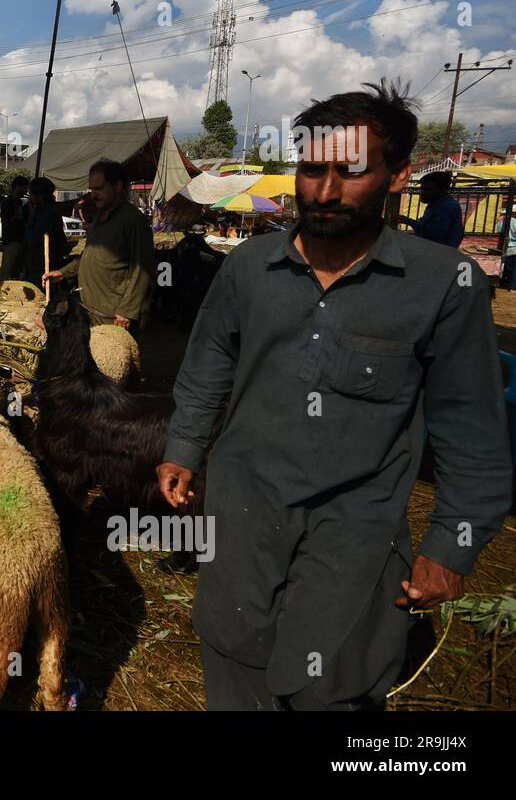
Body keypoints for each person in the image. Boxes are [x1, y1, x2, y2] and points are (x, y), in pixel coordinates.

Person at [157, 80, 511, 711]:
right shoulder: (247, 268)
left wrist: (453, 544)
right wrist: (184, 446)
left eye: (349, 172)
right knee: (233, 662)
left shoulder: (443, 285)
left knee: (331, 686)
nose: (323, 190)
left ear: (398, 175)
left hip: (355, 534)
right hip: (241, 516)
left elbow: (472, 429)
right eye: (311, 168)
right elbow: (209, 361)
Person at [44, 159, 155, 330]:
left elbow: (143, 269)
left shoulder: (133, 220)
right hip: (90, 310)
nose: (93, 194)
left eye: (99, 188)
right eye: (91, 189)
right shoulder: (100, 217)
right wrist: (62, 273)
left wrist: (127, 310)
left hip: (113, 314)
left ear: (117, 186)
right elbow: (89, 256)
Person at [20, 177, 68, 287]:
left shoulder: (47, 213)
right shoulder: (46, 210)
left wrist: (31, 218)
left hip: (42, 266)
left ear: (40, 196)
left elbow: (33, 239)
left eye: (31, 194)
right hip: (39, 264)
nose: (29, 197)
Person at [397, 171, 464, 248]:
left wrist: (409, 222)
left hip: (439, 252)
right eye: (422, 189)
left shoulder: (445, 207)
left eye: (428, 189)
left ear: (441, 190)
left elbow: (433, 234)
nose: (422, 193)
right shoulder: (438, 204)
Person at [0, 175, 29, 283]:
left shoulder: (20, 202)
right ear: (18, 187)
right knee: (7, 268)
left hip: (20, 240)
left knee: (17, 269)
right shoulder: (7, 202)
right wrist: (17, 215)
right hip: (11, 240)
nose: (26, 191)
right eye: (25, 188)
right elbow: (6, 222)